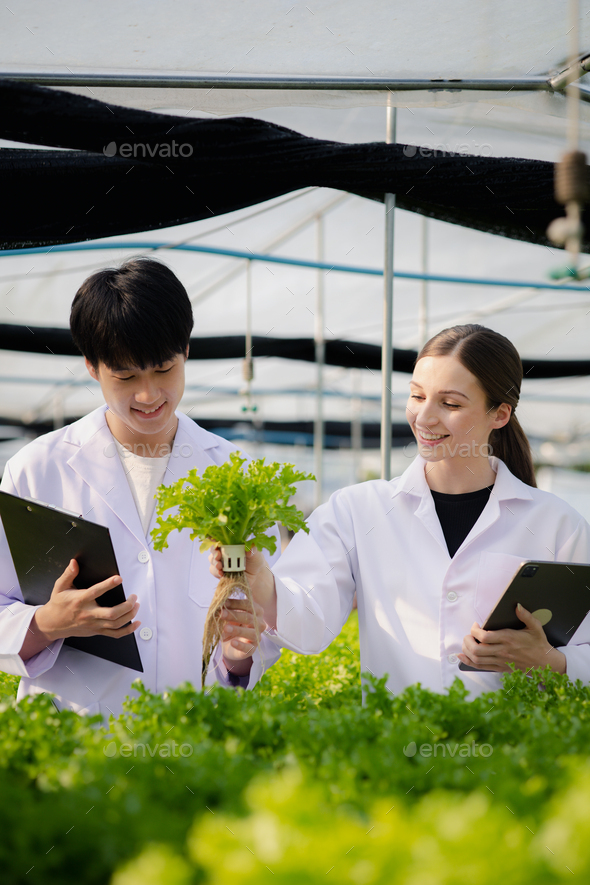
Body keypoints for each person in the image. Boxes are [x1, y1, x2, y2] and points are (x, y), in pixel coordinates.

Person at [212, 324, 590, 698]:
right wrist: (262, 582)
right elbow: (307, 623)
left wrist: (550, 662)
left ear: (500, 415)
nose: (424, 418)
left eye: (450, 404)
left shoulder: (557, 524)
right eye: (416, 396)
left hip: (518, 755)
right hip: (398, 751)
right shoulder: (357, 511)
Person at [0, 258, 280, 716]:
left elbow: (262, 618)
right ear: (92, 367)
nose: (149, 395)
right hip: (72, 740)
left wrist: (238, 658)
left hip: (190, 737)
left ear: (185, 351)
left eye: (164, 370)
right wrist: (47, 623)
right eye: (126, 377)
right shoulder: (37, 470)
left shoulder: (237, 473)